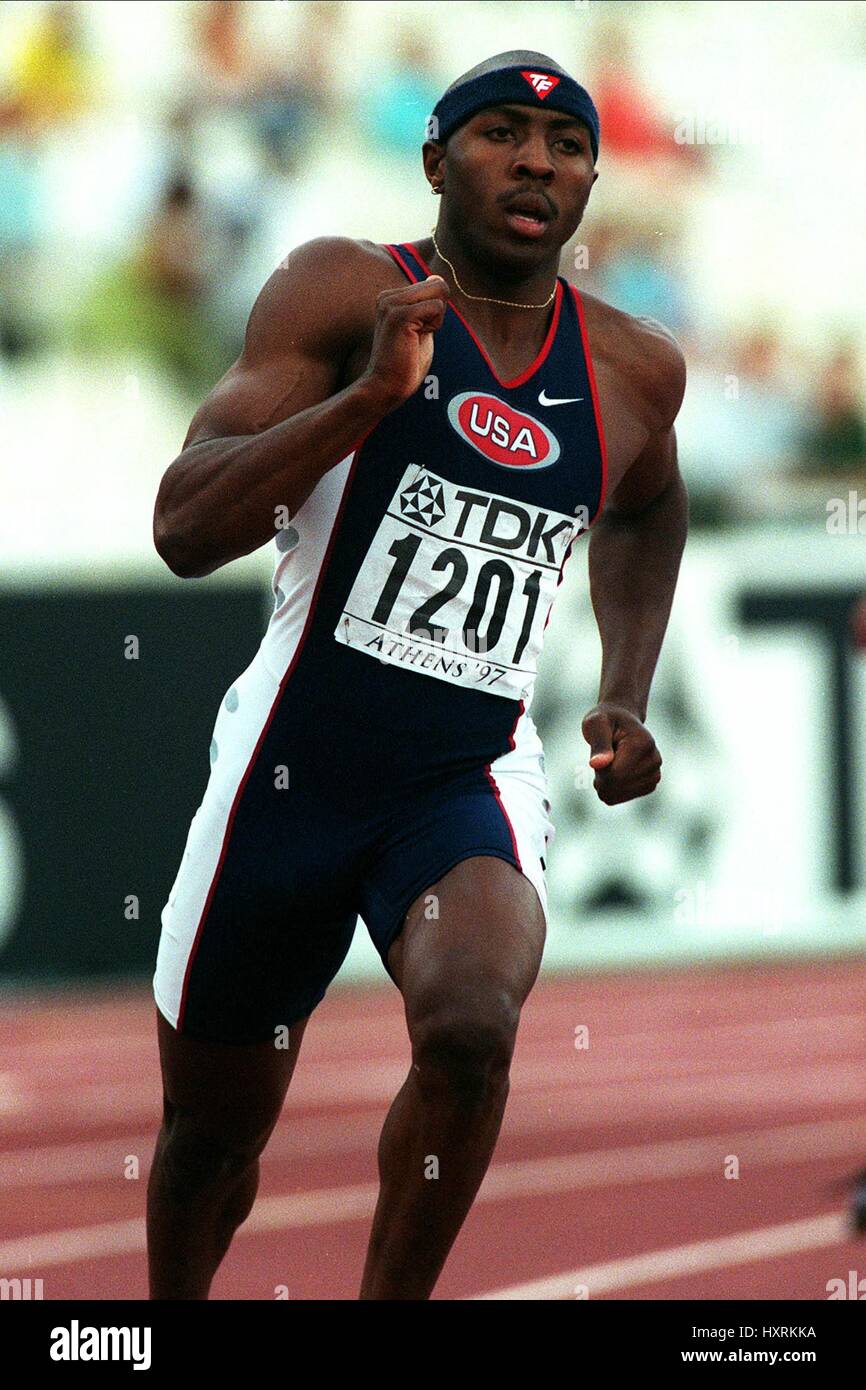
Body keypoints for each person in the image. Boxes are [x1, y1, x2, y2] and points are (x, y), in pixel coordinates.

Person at [148, 49, 688, 1301]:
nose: (535, 165)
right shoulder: (339, 290)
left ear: (592, 183)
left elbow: (644, 512)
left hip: (457, 778)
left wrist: (625, 687)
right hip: (286, 769)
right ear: (436, 158)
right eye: (502, 135)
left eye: (563, 150)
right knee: (211, 1137)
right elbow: (183, 529)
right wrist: (366, 402)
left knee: (469, 1026)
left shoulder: (630, 368)